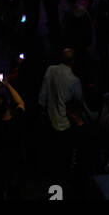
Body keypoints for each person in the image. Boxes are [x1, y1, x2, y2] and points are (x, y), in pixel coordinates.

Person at [38, 48, 82, 182]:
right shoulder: (74, 80)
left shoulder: (50, 70)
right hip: (65, 124)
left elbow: (42, 97)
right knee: (64, 158)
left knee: (52, 156)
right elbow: (78, 101)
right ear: (73, 61)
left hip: (50, 120)